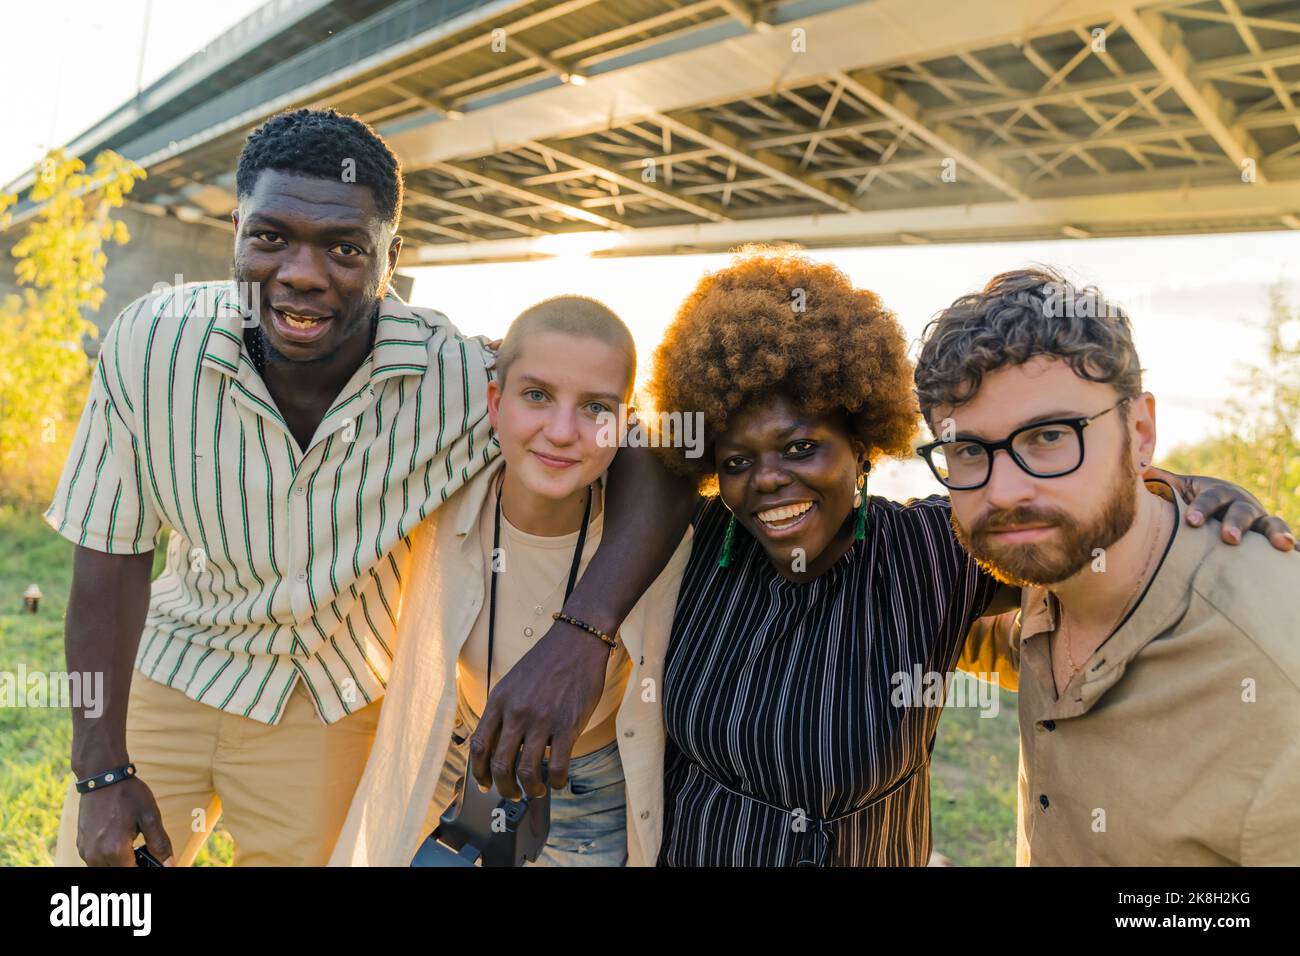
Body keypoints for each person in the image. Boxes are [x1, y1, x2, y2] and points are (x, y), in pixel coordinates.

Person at [45, 108, 690, 867]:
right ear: (235, 229)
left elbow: (651, 454)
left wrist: (579, 638)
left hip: (331, 700)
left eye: (346, 248)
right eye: (270, 237)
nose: (302, 274)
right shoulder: (150, 345)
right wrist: (100, 773)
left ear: (392, 258)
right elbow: (109, 562)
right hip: (174, 665)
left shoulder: (457, 377)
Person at [635, 249, 1290, 866]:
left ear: (863, 443)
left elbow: (1070, 523)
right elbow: (610, 465)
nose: (769, 479)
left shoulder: (930, 553)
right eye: (738, 461)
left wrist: (1177, 494)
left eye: (801, 447)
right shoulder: (688, 549)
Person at [915, 267, 1300, 865]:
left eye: (1048, 436)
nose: (1006, 491)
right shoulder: (1050, 585)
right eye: (969, 450)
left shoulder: (1276, 667)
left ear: (1140, 430)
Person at [331, 296, 695, 866]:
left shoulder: (655, 543)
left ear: (625, 426)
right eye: (537, 395)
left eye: (595, 407)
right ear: (495, 403)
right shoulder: (439, 498)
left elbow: (676, 460)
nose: (562, 431)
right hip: (458, 761)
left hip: (588, 793)